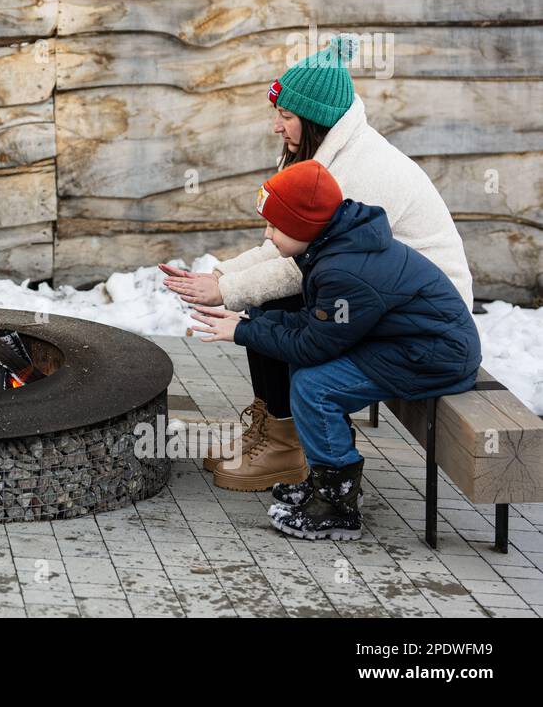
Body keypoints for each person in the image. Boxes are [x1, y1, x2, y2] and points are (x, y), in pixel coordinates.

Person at [160, 35, 472, 491]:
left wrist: (228, 294)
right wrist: (221, 276)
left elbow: (298, 270)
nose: (276, 126)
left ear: (316, 120)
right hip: (377, 300)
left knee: (277, 302)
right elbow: (286, 248)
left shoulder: (364, 171)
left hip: (421, 318)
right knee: (269, 300)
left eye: (285, 116)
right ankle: (275, 430)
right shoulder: (320, 158)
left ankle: (285, 446)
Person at [189, 160, 481, 540]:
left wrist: (244, 332)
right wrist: (252, 326)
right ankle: (324, 483)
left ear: (304, 226)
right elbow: (317, 325)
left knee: (316, 385)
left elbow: (313, 345)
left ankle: (336, 506)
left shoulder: (344, 270)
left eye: (276, 226)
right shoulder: (336, 247)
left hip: (433, 355)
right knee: (307, 373)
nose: (268, 234)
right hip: (411, 341)